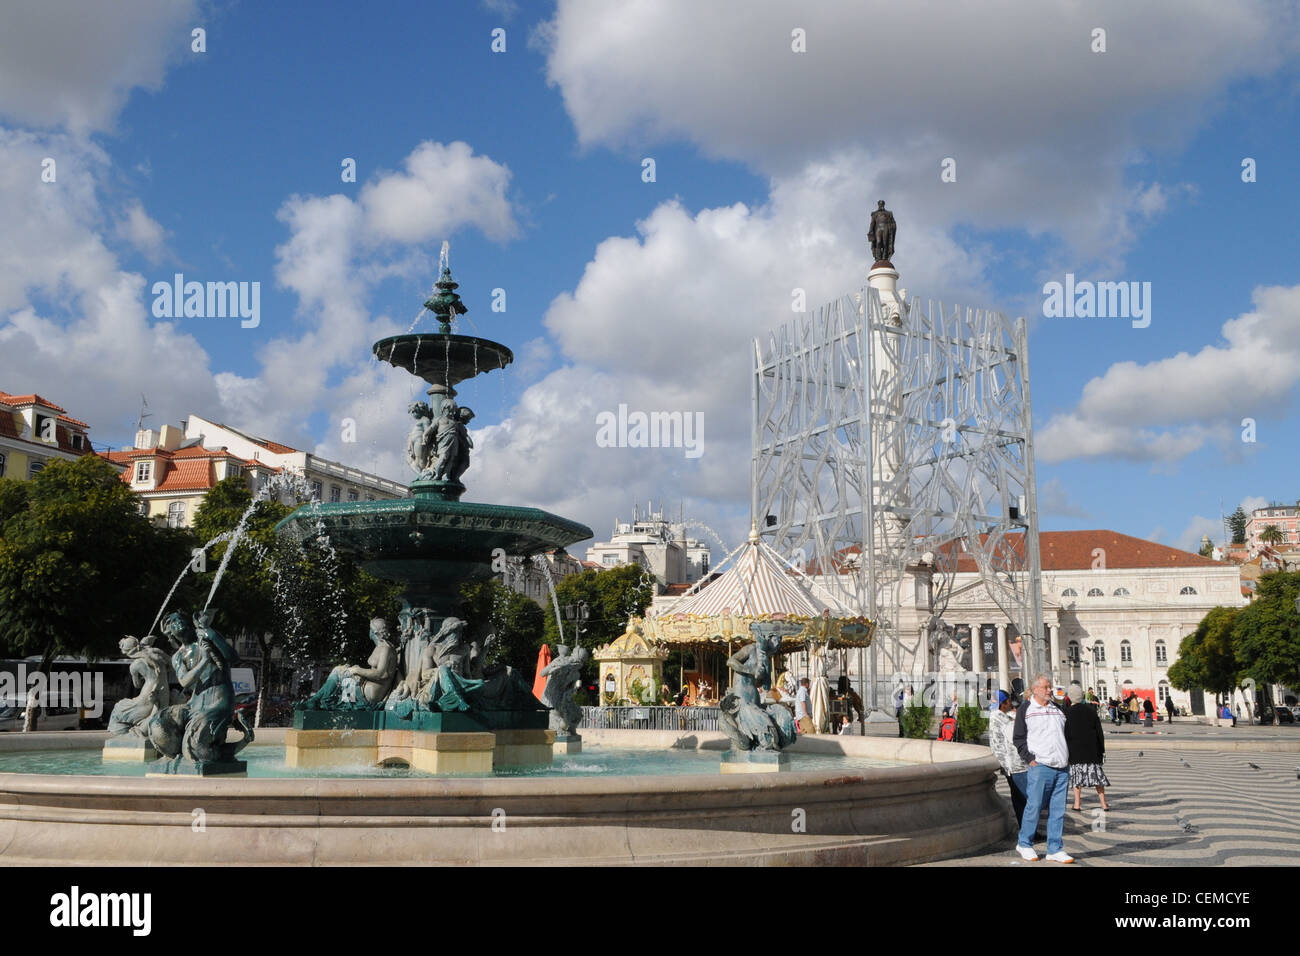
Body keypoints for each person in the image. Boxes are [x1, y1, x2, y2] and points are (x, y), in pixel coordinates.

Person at [1012, 674, 1074, 863]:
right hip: (1041, 766)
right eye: (1046, 687)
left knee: (1058, 810)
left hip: (1062, 766)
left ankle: (1054, 848)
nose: (1050, 690)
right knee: (1034, 806)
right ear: (1036, 689)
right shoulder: (1026, 709)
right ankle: (1024, 843)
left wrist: (1069, 757)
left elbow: (1066, 734)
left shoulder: (1057, 709)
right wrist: (1030, 759)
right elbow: (1018, 737)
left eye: (1050, 687)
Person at [1065, 686, 1110, 812]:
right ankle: (1104, 804)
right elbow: (1099, 732)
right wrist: (1101, 750)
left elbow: (1066, 734)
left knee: (1077, 779)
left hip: (1075, 751)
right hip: (1092, 750)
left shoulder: (1067, 712)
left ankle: (1077, 804)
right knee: (1097, 777)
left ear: (1070, 697)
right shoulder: (1091, 711)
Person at [988, 690, 1028, 827]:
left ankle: (1026, 829)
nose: (1011, 702)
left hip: (1009, 765)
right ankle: (1028, 832)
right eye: (1009, 700)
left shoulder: (996, 716)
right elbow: (1015, 737)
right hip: (1015, 765)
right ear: (1003, 703)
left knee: (1019, 799)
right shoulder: (1001, 718)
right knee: (1027, 798)